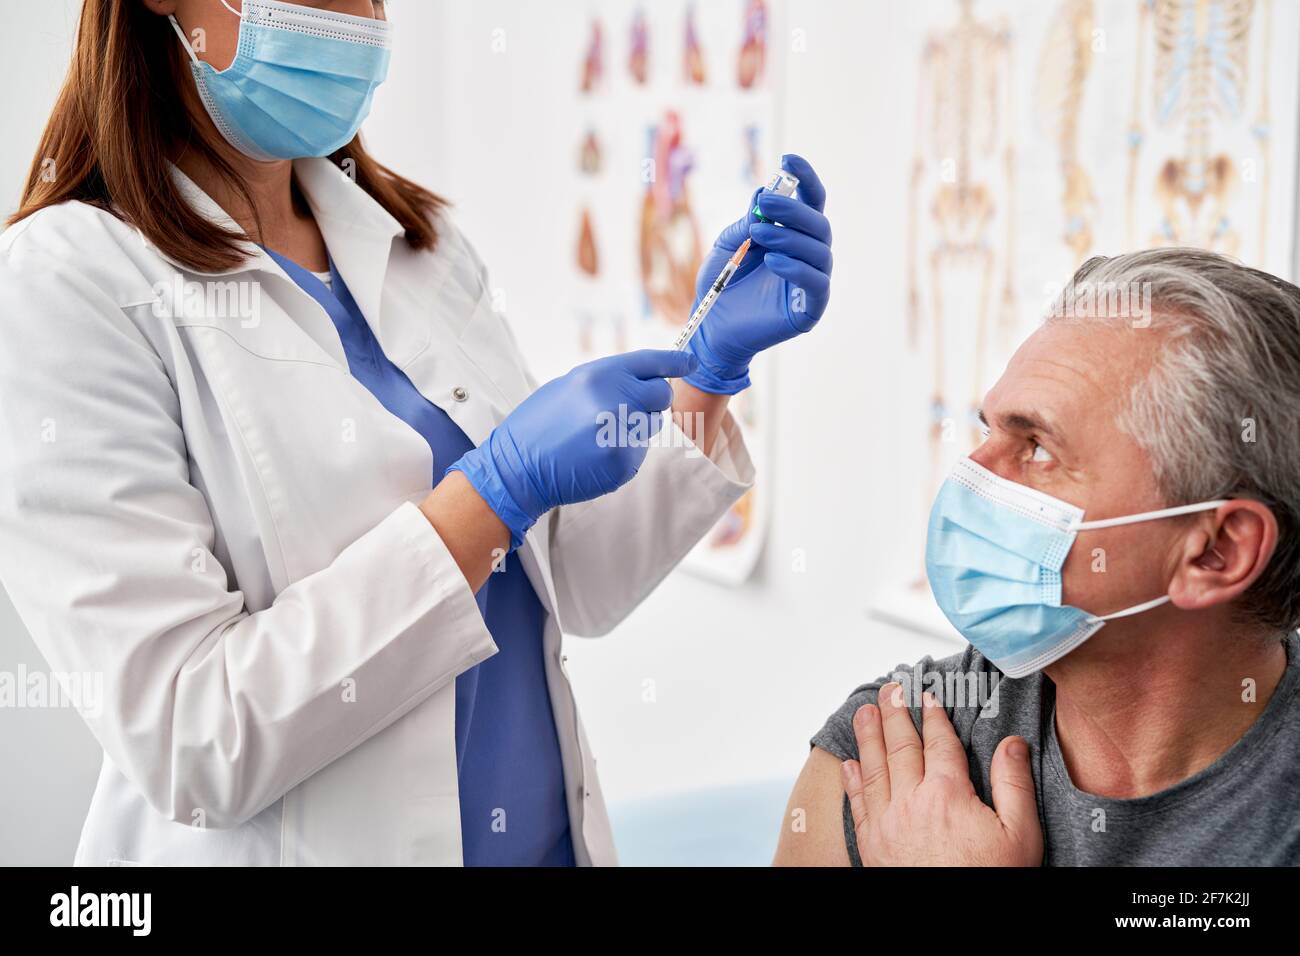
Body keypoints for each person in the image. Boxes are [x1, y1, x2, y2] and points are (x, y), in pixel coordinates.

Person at [0, 0, 833, 866]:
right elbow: (192, 735)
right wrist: (493, 491)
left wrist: (706, 377)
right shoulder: (68, 284)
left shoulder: (419, 243)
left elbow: (576, 581)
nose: (359, 18)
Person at [775, 248, 1300, 866]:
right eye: (989, 432)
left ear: (1216, 551)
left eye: (1037, 449)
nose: (971, 477)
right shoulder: (897, 751)